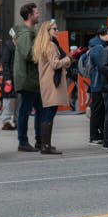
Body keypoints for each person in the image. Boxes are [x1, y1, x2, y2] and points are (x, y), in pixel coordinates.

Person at [33, 20, 71, 154]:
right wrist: (67, 59)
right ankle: (45, 146)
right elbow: (55, 64)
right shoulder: (50, 46)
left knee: (48, 112)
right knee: (49, 113)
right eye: (54, 29)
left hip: (47, 82)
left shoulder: (44, 45)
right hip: (51, 83)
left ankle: (45, 144)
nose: (57, 31)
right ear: (47, 31)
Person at [13, 3, 43, 152]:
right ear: (30, 15)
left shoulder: (29, 32)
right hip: (27, 79)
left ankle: (40, 140)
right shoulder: (26, 34)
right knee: (25, 110)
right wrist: (43, 53)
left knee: (40, 109)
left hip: (32, 79)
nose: (38, 15)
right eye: (36, 13)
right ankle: (23, 142)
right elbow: (28, 54)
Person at [87, 27, 108, 145]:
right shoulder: (97, 47)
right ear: (101, 35)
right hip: (97, 83)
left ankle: (100, 134)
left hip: (99, 83)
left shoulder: (101, 46)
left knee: (101, 110)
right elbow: (101, 64)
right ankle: (93, 136)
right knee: (96, 110)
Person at [0, 28, 18, 130]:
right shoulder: (8, 46)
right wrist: (7, 78)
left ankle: (15, 120)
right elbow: (5, 63)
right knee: (8, 101)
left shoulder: (18, 46)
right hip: (10, 78)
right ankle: (6, 121)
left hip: (17, 77)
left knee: (16, 101)